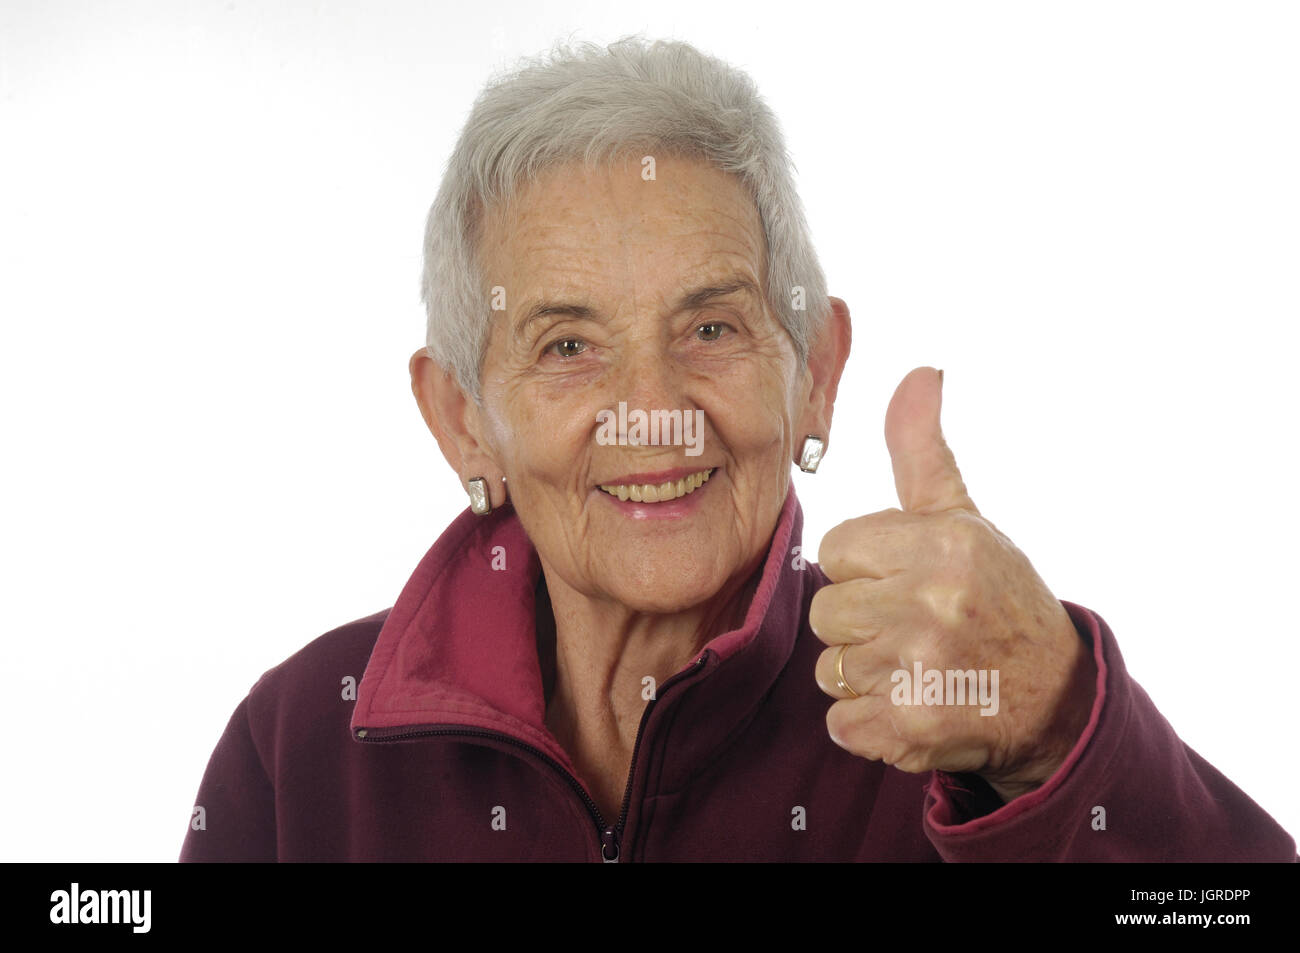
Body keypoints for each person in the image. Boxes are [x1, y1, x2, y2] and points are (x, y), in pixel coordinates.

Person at [180, 36, 1295, 862]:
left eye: (710, 326)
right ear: (464, 418)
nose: (655, 407)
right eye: (567, 344)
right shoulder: (298, 744)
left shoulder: (959, 723)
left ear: (812, 372)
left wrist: (1061, 728)